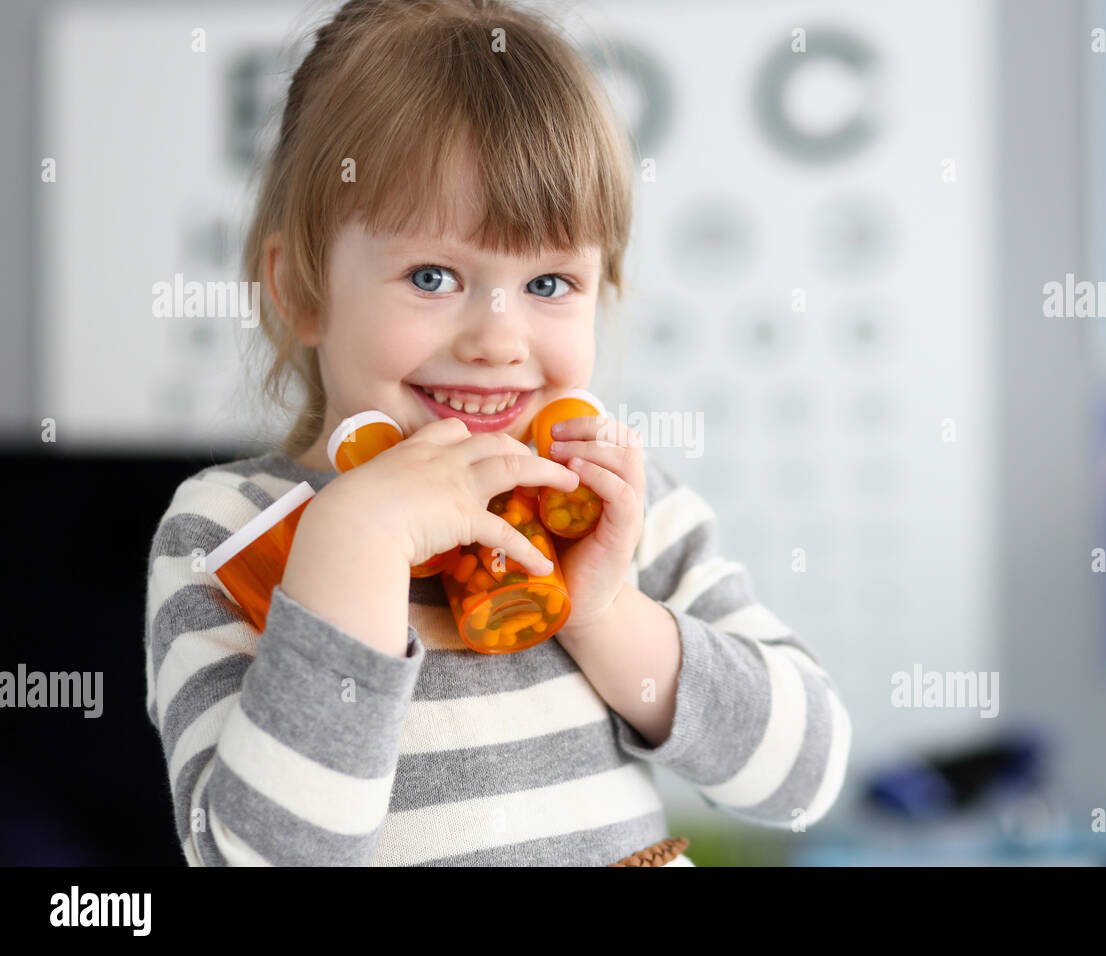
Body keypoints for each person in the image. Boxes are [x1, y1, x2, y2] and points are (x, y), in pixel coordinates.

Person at [144, 0, 850, 866]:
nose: (497, 340)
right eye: (433, 275)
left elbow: (804, 776)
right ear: (303, 292)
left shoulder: (619, 506)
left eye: (551, 283)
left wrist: (604, 613)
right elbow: (265, 855)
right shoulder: (230, 530)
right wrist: (358, 545)